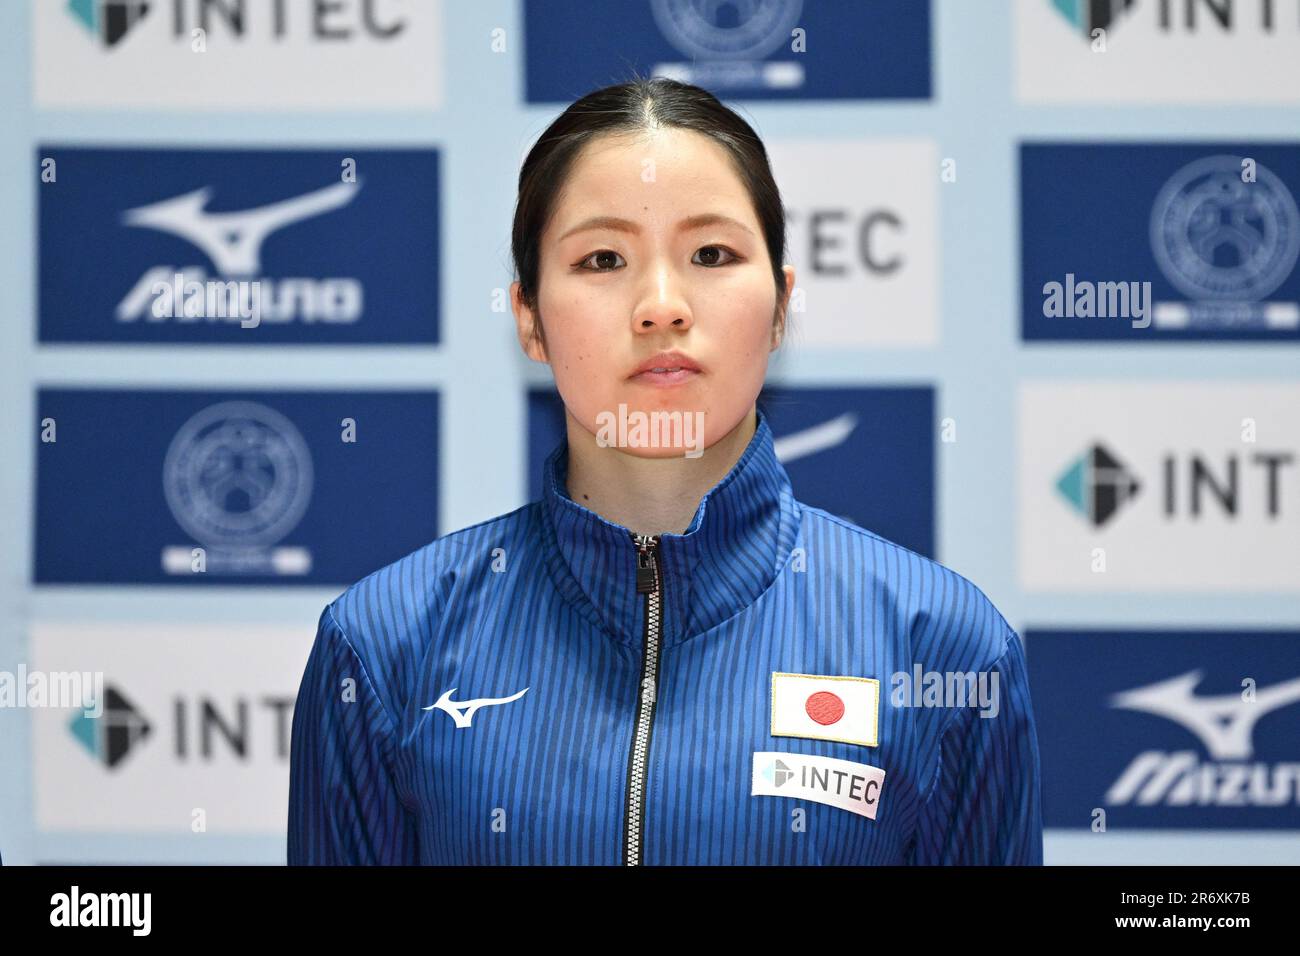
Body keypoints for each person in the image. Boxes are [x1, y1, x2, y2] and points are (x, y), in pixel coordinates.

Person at [287, 76, 1043, 866]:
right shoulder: (381, 647)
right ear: (529, 318)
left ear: (782, 306)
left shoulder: (946, 651)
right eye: (603, 258)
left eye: (711, 253)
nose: (660, 305)